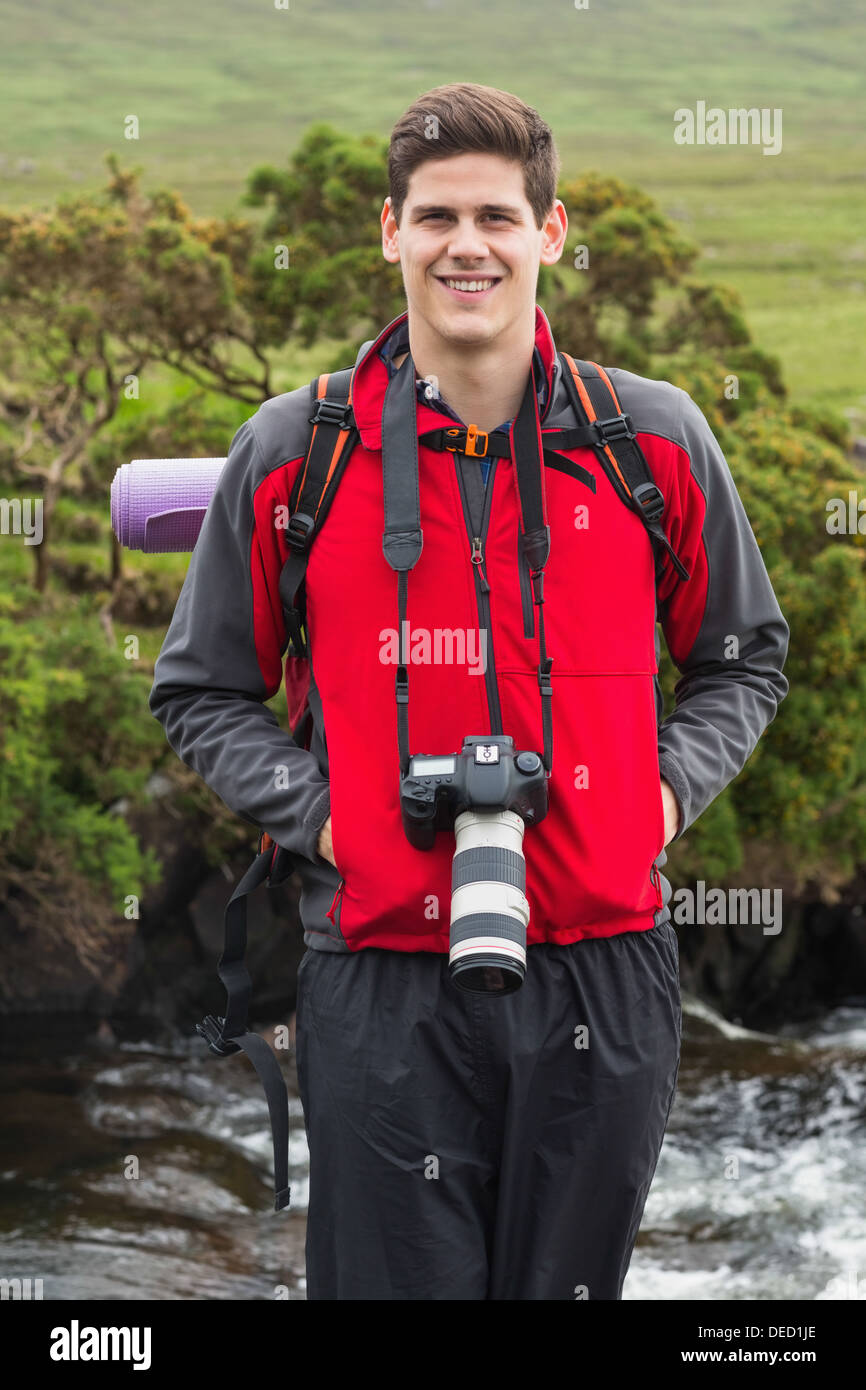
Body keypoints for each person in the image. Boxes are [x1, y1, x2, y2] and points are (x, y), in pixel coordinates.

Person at [149, 82, 789, 1300]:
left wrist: (650, 802)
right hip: (381, 969)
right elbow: (200, 690)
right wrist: (332, 819)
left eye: (496, 216)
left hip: (606, 966)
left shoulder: (646, 441)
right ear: (389, 232)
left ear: (548, 235)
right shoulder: (298, 452)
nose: (465, 245)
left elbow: (740, 656)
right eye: (435, 216)